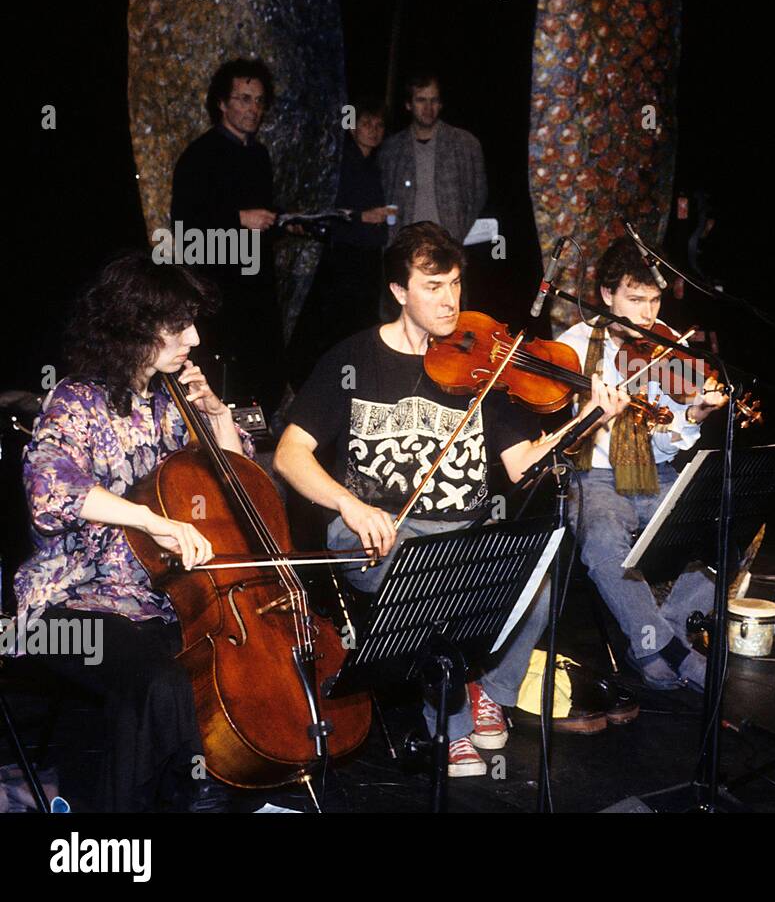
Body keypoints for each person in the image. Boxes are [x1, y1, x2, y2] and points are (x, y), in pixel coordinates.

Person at [273, 222, 630, 775]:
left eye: (456, 284)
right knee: (431, 581)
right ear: (399, 292)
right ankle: (452, 719)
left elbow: (520, 465)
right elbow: (290, 454)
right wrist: (350, 504)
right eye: (433, 286)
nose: (449, 301)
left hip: (465, 530)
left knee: (538, 577)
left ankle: (491, 687)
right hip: (379, 532)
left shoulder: (483, 363)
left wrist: (586, 421)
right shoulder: (352, 360)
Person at [14, 252, 253, 811]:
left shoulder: (176, 404)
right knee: (158, 683)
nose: (194, 336)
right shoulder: (75, 400)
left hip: (163, 602)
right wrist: (150, 519)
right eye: (178, 325)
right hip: (69, 606)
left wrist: (217, 417)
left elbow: (240, 496)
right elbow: (49, 491)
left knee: (204, 674)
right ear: (133, 326)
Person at [556, 238, 728, 693]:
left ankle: (652, 640)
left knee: (726, 528)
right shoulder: (570, 348)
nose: (649, 314)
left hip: (658, 473)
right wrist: (592, 415)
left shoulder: (667, 346)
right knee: (602, 540)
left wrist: (692, 417)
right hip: (593, 476)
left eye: (654, 300)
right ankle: (672, 651)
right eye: (635, 300)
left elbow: (671, 444)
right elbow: (560, 438)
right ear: (607, 296)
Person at [171, 58, 286, 411]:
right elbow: (185, 224)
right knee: (220, 378)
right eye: (244, 98)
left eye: (259, 100)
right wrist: (238, 218)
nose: (253, 108)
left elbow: (260, 220)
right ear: (221, 103)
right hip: (218, 288)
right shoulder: (199, 155)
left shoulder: (260, 155)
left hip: (255, 286)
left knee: (261, 370)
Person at [286, 99, 392, 389]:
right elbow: (321, 209)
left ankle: (350, 389)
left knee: (361, 331)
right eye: (367, 123)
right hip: (342, 258)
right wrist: (361, 216)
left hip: (369, 260)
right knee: (332, 331)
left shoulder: (376, 165)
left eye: (379, 125)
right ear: (353, 126)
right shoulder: (340, 163)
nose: (373, 130)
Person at [378, 72, 487, 245]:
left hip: (449, 244)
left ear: (441, 104)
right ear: (408, 104)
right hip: (405, 245)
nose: (428, 108)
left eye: (434, 100)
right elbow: (384, 196)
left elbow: (478, 195)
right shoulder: (391, 149)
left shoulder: (465, 144)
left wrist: (458, 233)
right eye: (421, 100)